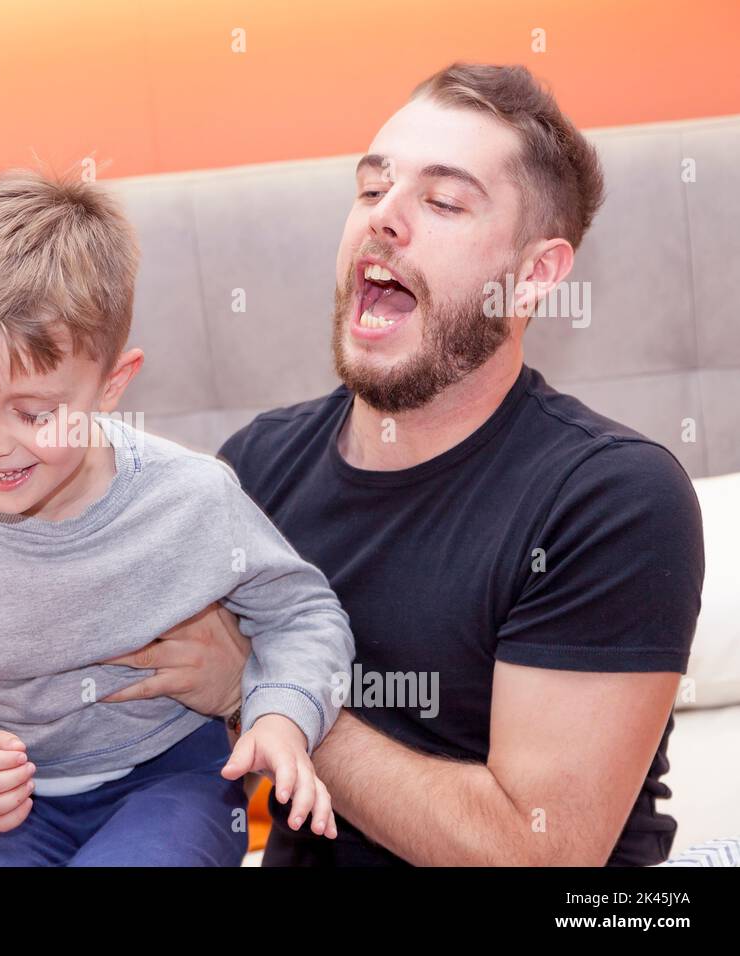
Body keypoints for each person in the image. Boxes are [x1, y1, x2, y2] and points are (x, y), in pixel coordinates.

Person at [205, 63, 704, 865]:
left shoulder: (612, 499)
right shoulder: (255, 468)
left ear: (534, 276)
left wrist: (255, 693)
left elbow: (536, 854)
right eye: (371, 189)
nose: (384, 220)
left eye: (442, 201)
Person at [0, 169, 356, 866]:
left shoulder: (189, 498)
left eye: (33, 412)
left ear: (112, 384)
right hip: (14, 805)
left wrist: (280, 714)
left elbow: (302, 615)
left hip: (172, 775)